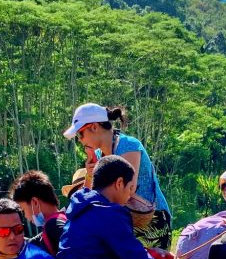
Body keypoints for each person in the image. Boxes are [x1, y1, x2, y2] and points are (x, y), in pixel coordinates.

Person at [64, 103, 172, 250]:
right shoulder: (97, 155)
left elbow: (127, 191)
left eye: (80, 134)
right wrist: (89, 175)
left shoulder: (129, 145)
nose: (80, 140)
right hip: (125, 223)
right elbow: (88, 195)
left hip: (152, 221)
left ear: (94, 127)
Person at [10, 170, 67, 257]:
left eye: (23, 210)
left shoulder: (53, 225)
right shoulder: (61, 219)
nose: (25, 216)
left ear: (35, 202)